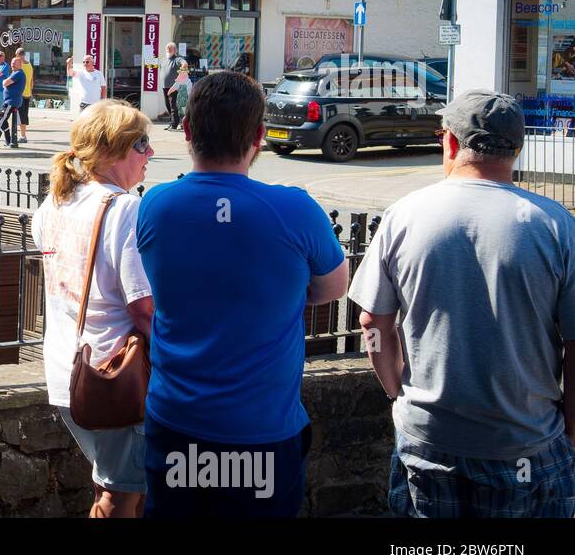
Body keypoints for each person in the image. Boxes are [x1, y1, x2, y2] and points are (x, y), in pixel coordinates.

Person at [348, 90, 575, 518]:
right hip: (527, 443)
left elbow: (372, 322)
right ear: (517, 149)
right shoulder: (557, 225)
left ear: (450, 143)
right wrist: (570, 434)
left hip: (429, 441)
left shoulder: (405, 215)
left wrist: (398, 393)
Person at [136, 71, 349, 518]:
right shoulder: (295, 209)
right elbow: (334, 287)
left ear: (189, 131)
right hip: (262, 432)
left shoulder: (157, 204)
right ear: (259, 136)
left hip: (176, 423)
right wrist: (285, 291)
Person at [32, 99, 156, 518]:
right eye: (140, 144)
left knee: (115, 487)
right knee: (121, 496)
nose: (150, 154)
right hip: (114, 374)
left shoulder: (53, 205)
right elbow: (142, 307)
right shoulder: (124, 209)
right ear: (110, 151)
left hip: (68, 372)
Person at [0, 51, 26, 149]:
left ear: (20, 64)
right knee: (3, 121)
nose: (12, 65)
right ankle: (8, 141)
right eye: (11, 63)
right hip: (10, 101)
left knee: (0, 121)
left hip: (11, 102)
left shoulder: (18, 73)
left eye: (14, 63)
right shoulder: (15, 73)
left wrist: (4, 81)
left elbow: (5, 82)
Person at [162, 43, 183, 130]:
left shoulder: (178, 59)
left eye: (170, 49)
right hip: (165, 86)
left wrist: (181, 74)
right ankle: (172, 121)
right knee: (168, 105)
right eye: (167, 48)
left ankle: (174, 124)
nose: (168, 50)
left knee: (173, 105)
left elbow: (184, 64)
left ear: (174, 50)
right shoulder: (165, 59)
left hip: (173, 86)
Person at [16, 46, 34, 143]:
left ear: (19, 55)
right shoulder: (30, 65)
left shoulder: (20, 66)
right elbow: (32, 81)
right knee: (24, 115)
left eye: (16, 55)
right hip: (27, 94)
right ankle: (22, 135)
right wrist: (30, 91)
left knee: (20, 116)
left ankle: (23, 136)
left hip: (21, 94)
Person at [167, 60, 192, 127]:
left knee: (184, 112)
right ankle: (183, 123)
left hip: (184, 99)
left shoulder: (187, 82)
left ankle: (184, 124)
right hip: (181, 100)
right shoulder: (181, 81)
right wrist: (169, 91)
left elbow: (190, 90)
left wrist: (169, 92)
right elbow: (174, 87)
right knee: (181, 111)